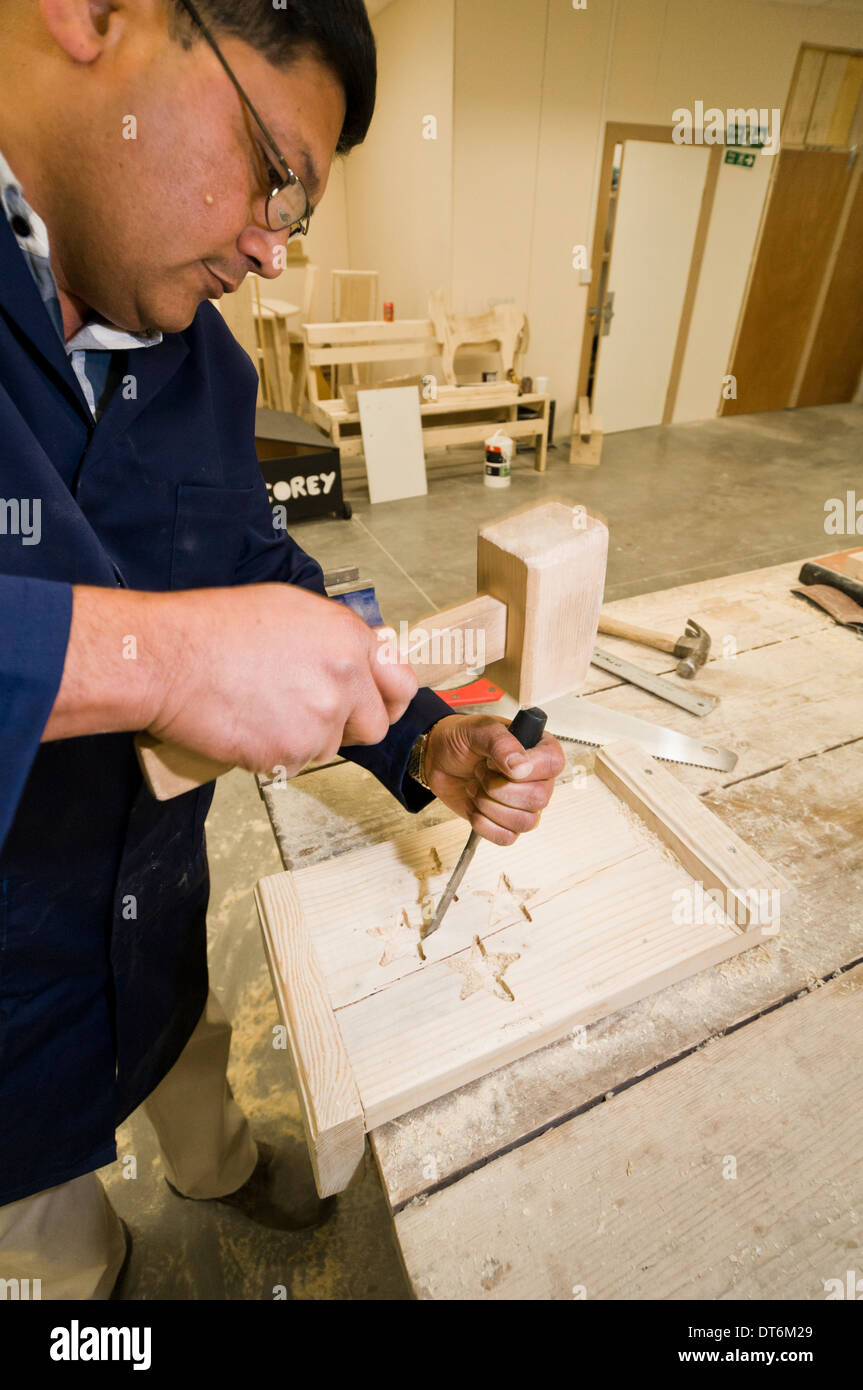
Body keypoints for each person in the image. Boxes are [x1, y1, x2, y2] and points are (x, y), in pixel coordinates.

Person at [0, 0, 565, 1299]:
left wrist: (426, 729)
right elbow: (187, 643)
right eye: (271, 176)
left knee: (189, 1067)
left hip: (144, 907)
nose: (269, 249)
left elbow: (257, 574)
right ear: (96, 15)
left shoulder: (200, 364)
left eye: (295, 215)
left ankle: (212, 1169)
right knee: (54, 1244)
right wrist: (158, 661)